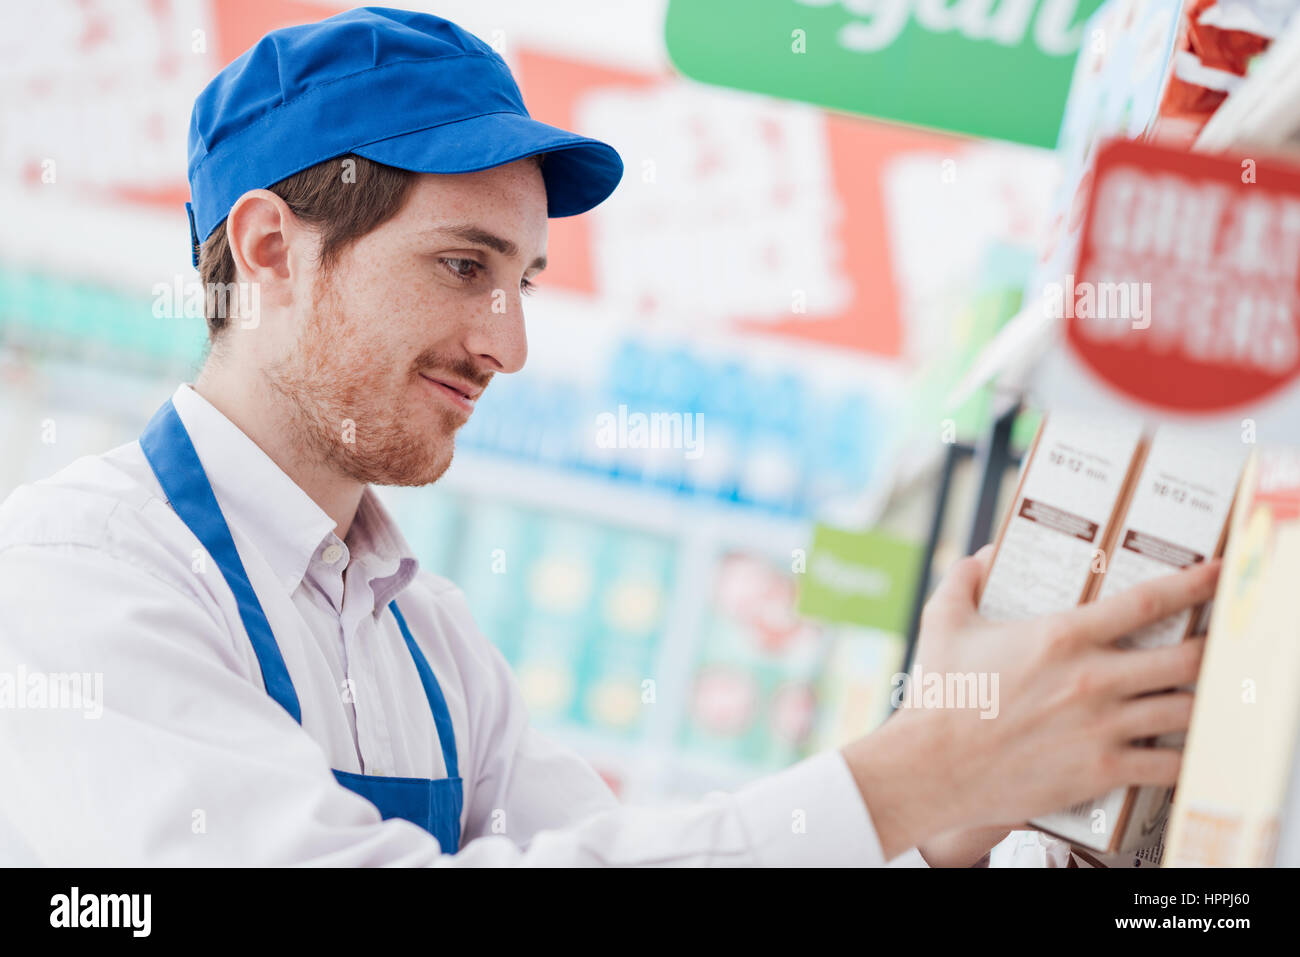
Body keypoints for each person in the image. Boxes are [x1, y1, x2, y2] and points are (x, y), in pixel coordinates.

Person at [0, 7, 1214, 866]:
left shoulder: (423, 633)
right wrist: (920, 772)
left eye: (522, 279)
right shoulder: (75, 579)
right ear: (269, 249)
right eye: (462, 266)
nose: (506, 344)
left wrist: (954, 801)